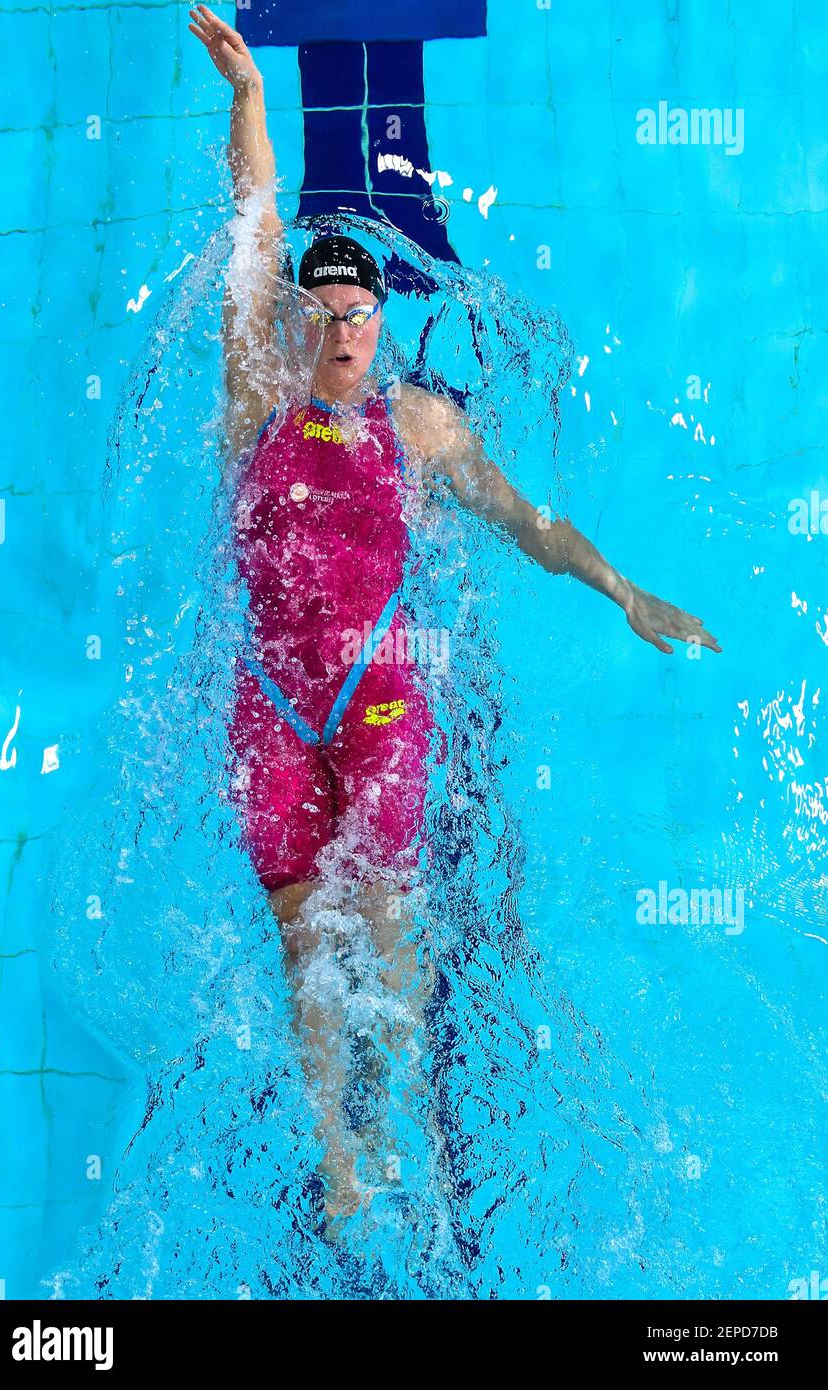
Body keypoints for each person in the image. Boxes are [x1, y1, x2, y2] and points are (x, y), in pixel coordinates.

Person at [188, 6, 721, 1229]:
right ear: (298, 322)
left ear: (380, 323)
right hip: (269, 708)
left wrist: (624, 591)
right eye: (317, 313)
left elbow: (528, 527)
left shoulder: (419, 430)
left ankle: (419, 1120)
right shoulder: (252, 403)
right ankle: (339, 1156)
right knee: (299, 943)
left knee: (382, 915)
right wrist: (251, 102)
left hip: (374, 688)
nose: (336, 332)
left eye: (355, 315)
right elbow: (248, 232)